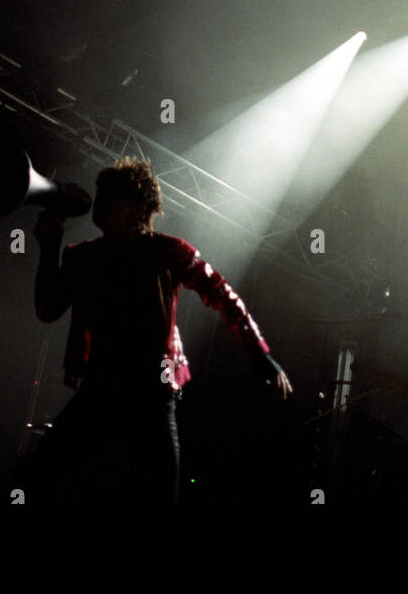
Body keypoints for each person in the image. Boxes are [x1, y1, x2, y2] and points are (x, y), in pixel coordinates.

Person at [31, 156, 292, 502]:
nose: (100, 201)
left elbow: (224, 296)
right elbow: (47, 309)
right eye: (100, 192)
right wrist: (48, 247)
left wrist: (261, 357)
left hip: (151, 399)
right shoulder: (83, 257)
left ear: (136, 207)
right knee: (33, 479)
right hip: (103, 393)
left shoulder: (169, 252)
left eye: (111, 195)